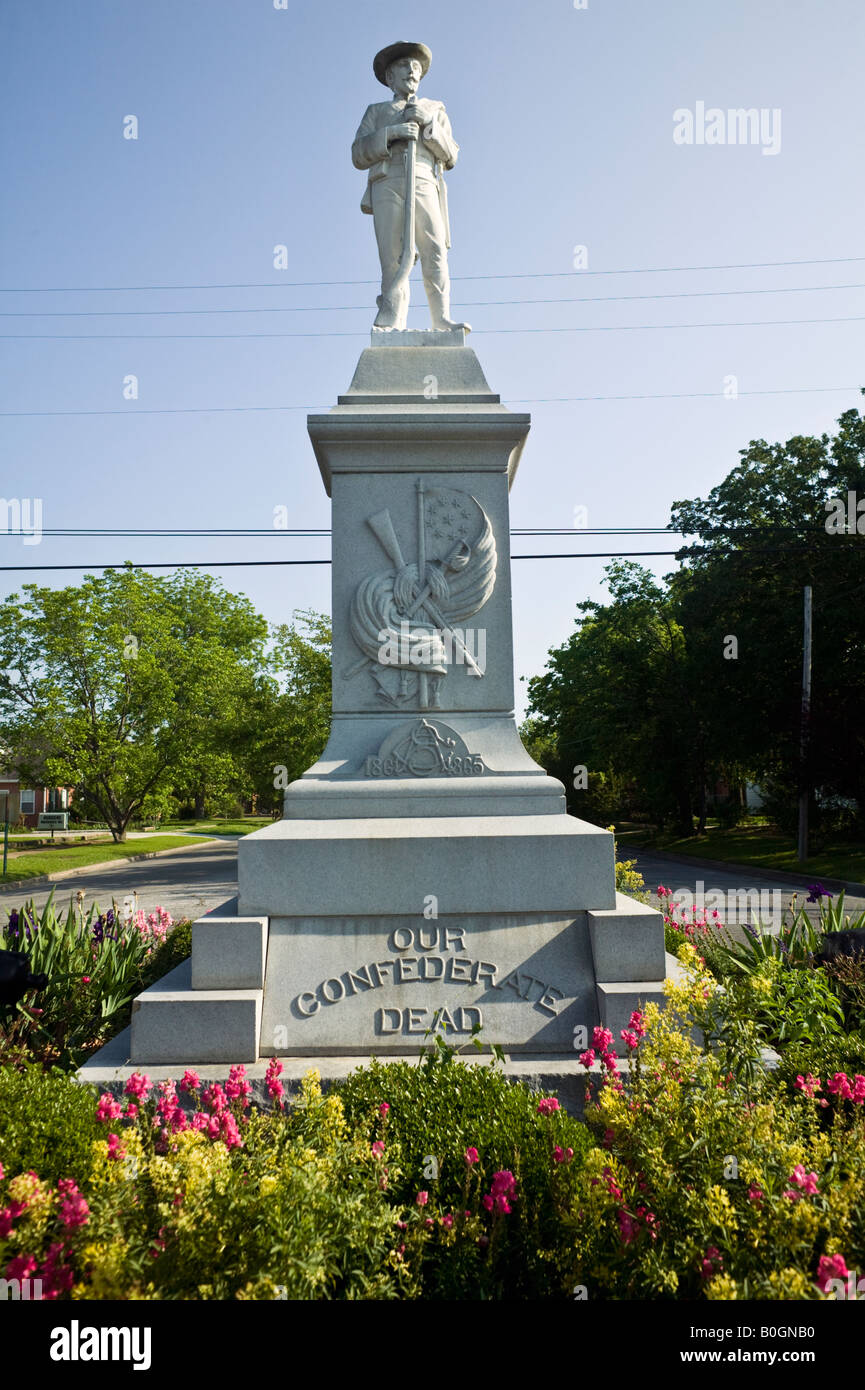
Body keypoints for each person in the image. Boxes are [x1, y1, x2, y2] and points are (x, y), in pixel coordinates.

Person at [352, 41, 470, 333]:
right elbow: (357, 153)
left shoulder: (434, 108)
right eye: (404, 66)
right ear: (389, 77)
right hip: (387, 182)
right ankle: (392, 319)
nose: (411, 70)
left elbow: (451, 154)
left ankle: (441, 319)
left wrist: (427, 125)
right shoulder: (376, 111)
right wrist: (391, 133)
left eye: (416, 67)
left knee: (434, 248)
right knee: (393, 255)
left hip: (423, 180)